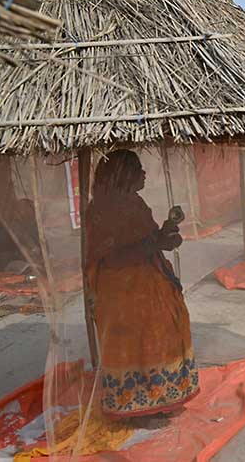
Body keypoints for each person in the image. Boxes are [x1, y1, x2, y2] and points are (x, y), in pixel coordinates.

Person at [85, 150, 199, 419]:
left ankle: (161, 397)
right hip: (121, 290)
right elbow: (112, 256)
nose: (144, 173)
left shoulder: (135, 203)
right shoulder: (102, 211)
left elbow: (148, 239)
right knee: (137, 343)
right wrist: (156, 242)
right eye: (138, 169)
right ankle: (138, 409)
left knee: (165, 333)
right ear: (123, 175)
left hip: (148, 280)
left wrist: (165, 237)